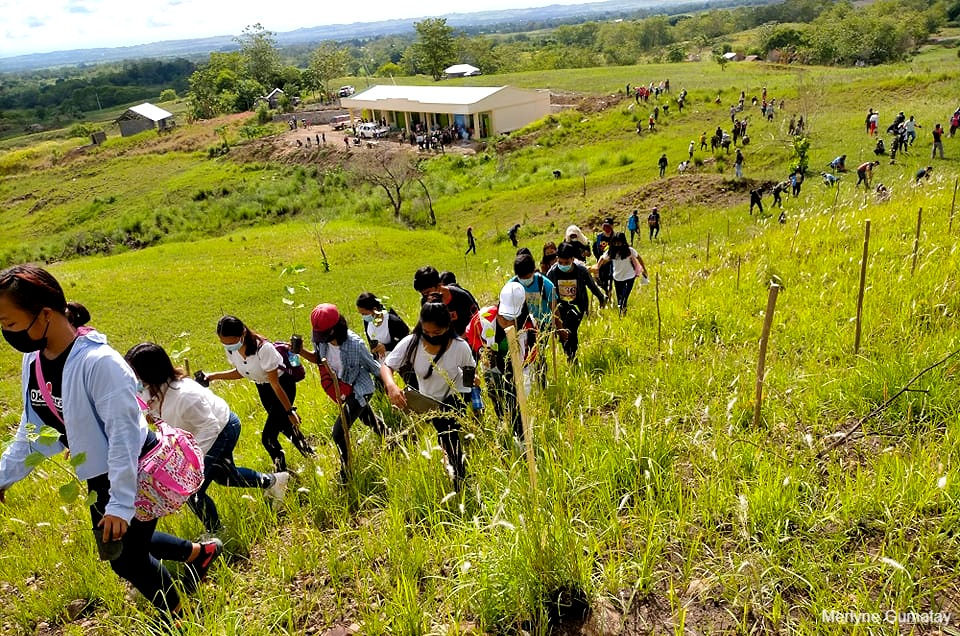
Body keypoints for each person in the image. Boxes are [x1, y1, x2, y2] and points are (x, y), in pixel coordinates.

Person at [0, 265, 221, 620]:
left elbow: (124, 436)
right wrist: (3, 476)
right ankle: (200, 553)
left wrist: (119, 503)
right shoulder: (34, 360)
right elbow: (33, 430)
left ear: (44, 314)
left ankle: (184, 619)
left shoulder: (99, 363)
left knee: (127, 560)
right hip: (99, 474)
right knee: (127, 549)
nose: (6, 332)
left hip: (133, 468)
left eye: (9, 323)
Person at [125, 343, 288, 534]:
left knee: (193, 490)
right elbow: (150, 406)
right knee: (225, 476)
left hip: (222, 429)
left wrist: (190, 463)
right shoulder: (151, 388)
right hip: (201, 433)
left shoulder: (184, 395)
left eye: (134, 373)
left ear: (149, 372)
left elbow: (210, 427)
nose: (131, 378)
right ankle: (275, 481)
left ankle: (217, 532)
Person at [381, 300, 475, 490]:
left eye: (437, 333)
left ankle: (461, 478)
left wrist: (473, 381)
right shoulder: (412, 343)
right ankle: (454, 465)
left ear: (447, 327)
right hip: (428, 399)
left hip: (455, 394)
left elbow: (469, 373)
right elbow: (387, 365)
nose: (431, 337)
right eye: (427, 332)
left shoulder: (459, 346)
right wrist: (391, 386)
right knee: (443, 434)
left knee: (449, 433)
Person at [203, 316, 313, 473]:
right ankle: (310, 453)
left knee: (268, 438)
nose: (228, 346)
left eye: (231, 342)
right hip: (263, 389)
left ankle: (281, 475)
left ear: (243, 333)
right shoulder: (232, 350)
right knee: (285, 427)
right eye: (224, 343)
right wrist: (213, 376)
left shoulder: (263, 349)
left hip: (282, 387)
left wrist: (290, 411)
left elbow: (275, 383)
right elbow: (241, 372)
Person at [298, 304, 386, 482]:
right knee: (366, 418)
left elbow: (374, 368)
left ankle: (346, 471)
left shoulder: (355, 345)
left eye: (323, 335)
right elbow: (319, 359)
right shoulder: (320, 339)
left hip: (360, 389)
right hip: (343, 387)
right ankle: (390, 437)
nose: (320, 339)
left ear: (334, 329)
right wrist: (300, 351)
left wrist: (390, 386)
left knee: (338, 432)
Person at [465, 282, 537, 442]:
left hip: (517, 368)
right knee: (494, 394)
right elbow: (470, 336)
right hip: (491, 365)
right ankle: (501, 420)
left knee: (513, 400)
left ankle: (519, 436)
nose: (507, 322)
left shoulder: (528, 324)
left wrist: (519, 370)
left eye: (512, 319)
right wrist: (482, 353)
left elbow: (532, 352)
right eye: (503, 317)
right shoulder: (484, 318)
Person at [546, 242, 607, 361]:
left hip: (578, 305)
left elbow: (592, 285)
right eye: (560, 262)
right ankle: (569, 353)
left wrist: (601, 298)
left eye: (567, 263)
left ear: (573, 259)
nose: (563, 265)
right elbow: (548, 294)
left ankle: (572, 355)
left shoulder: (581, 270)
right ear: (557, 259)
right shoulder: (552, 273)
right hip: (561, 306)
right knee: (563, 331)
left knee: (572, 330)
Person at [412, 266, 478, 337]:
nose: (427, 297)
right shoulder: (426, 302)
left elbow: (477, 321)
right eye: (423, 294)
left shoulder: (461, 296)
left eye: (428, 292)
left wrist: (459, 341)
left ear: (439, 285)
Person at [595, 232, 647, 316]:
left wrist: (644, 269)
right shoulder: (611, 252)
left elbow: (639, 257)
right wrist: (597, 268)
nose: (617, 245)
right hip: (617, 277)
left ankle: (622, 313)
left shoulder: (629, 251)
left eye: (619, 243)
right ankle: (622, 310)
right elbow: (602, 258)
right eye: (615, 243)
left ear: (623, 242)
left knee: (624, 297)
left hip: (629, 276)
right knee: (619, 297)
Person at [355, 292, 410, 358]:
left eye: (364, 314)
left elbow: (406, 341)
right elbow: (370, 338)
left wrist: (386, 347)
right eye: (361, 314)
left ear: (375, 310)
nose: (363, 317)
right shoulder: (368, 320)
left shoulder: (392, 321)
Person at [593, 219, 616, 297]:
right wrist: (600, 259)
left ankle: (609, 294)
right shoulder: (599, 237)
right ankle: (605, 292)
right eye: (604, 226)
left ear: (612, 226)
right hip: (601, 263)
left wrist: (609, 259)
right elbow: (595, 249)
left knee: (611, 279)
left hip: (612, 263)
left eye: (608, 226)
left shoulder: (615, 237)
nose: (606, 229)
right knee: (602, 280)